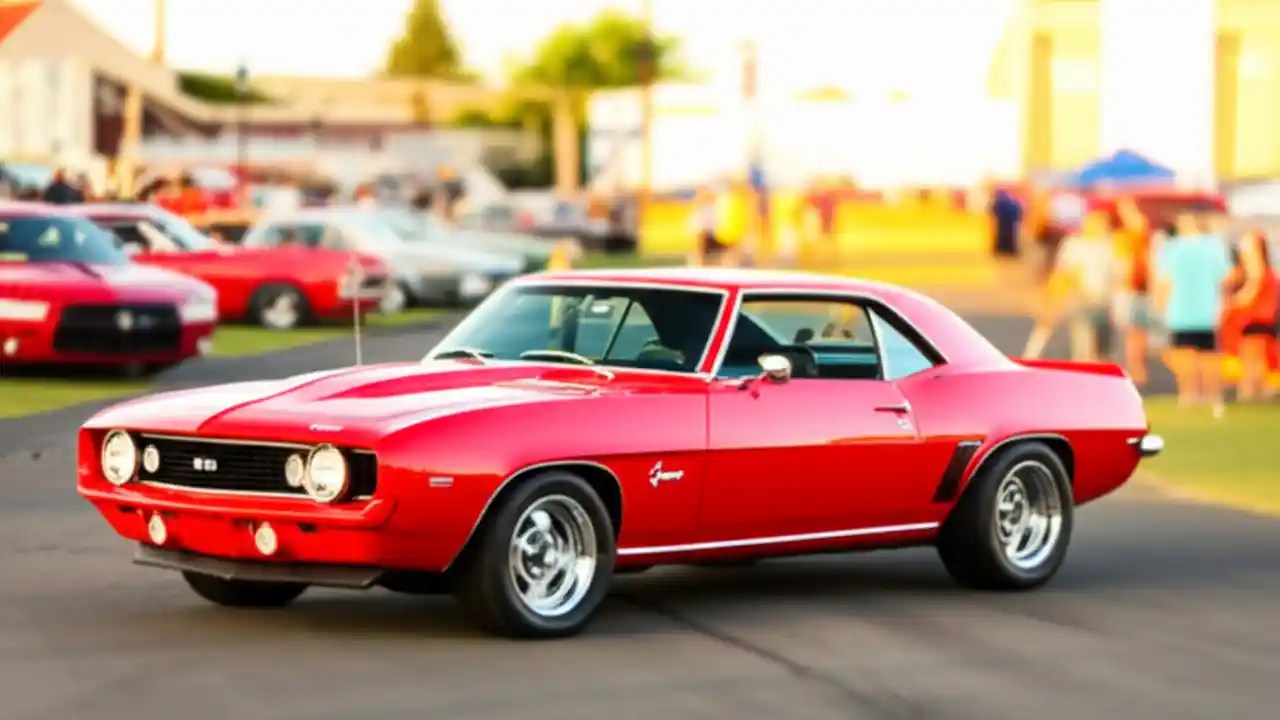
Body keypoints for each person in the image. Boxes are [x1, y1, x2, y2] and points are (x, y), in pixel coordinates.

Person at [1154, 212, 1233, 416]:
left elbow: (1164, 281)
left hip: (1180, 310)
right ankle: (1213, 397)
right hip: (1208, 309)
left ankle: (1189, 395)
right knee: (1209, 354)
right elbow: (1226, 278)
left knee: (1184, 354)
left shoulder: (1172, 248)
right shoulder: (1214, 246)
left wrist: (1161, 305)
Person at [1048, 210, 1119, 362]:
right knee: (1083, 347)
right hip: (1082, 300)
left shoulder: (1109, 245)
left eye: (1103, 224)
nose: (1100, 227)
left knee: (1104, 349)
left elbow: (1116, 274)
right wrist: (1054, 299)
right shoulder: (1074, 244)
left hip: (1105, 302)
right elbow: (1064, 273)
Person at [1223, 230, 1278, 401]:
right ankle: (1251, 392)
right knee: (1251, 358)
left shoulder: (1259, 272)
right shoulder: (1243, 271)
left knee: (1255, 358)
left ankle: (1251, 392)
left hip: (1257, 320)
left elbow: (1247, 297)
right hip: (1245, 321)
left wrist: (1234, 302)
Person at [1111, 198, 1154, 386]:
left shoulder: (1143, 241)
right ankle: (1135, 369)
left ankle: (1137, 370)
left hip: (1138, 290)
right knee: (1133, 333)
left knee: (1137, 333)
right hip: (1131, 290)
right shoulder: (1124, 240)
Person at [989, 187, 1023, 257]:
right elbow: (1019, 210)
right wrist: (1018, 219)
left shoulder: (998, 201)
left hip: (1001, 221)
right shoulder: (1014, 201)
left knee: (1000, 235)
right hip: (1012, 221)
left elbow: (993, 211)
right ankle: (1011, 250)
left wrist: (994, 218)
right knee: (1012, 236)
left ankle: (1000, 250)